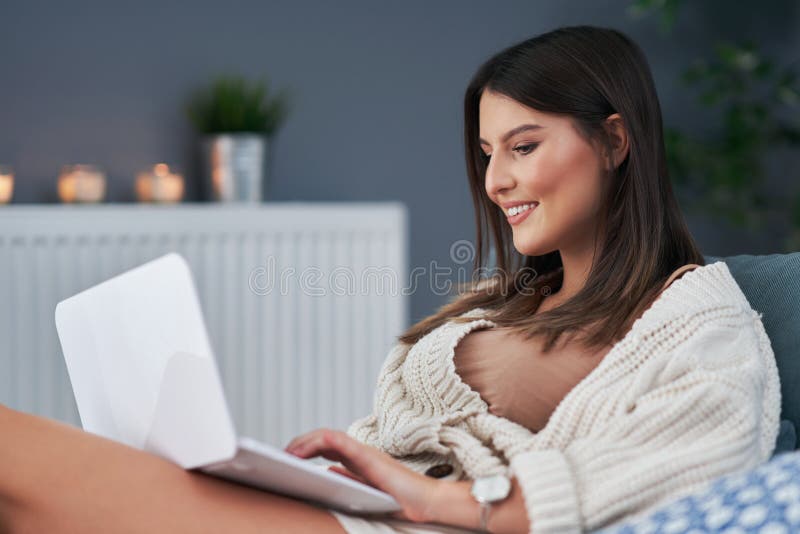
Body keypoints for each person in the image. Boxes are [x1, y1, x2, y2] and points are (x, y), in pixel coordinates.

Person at [0, 24, 780, 534]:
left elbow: (679, 467)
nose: (497, 180)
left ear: (614, 141)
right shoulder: (499, 299)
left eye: (524, 145)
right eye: (486, 153)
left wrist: (436, 500)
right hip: (361, 515)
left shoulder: (699, 318)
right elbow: (393, 434)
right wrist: (312, 473)